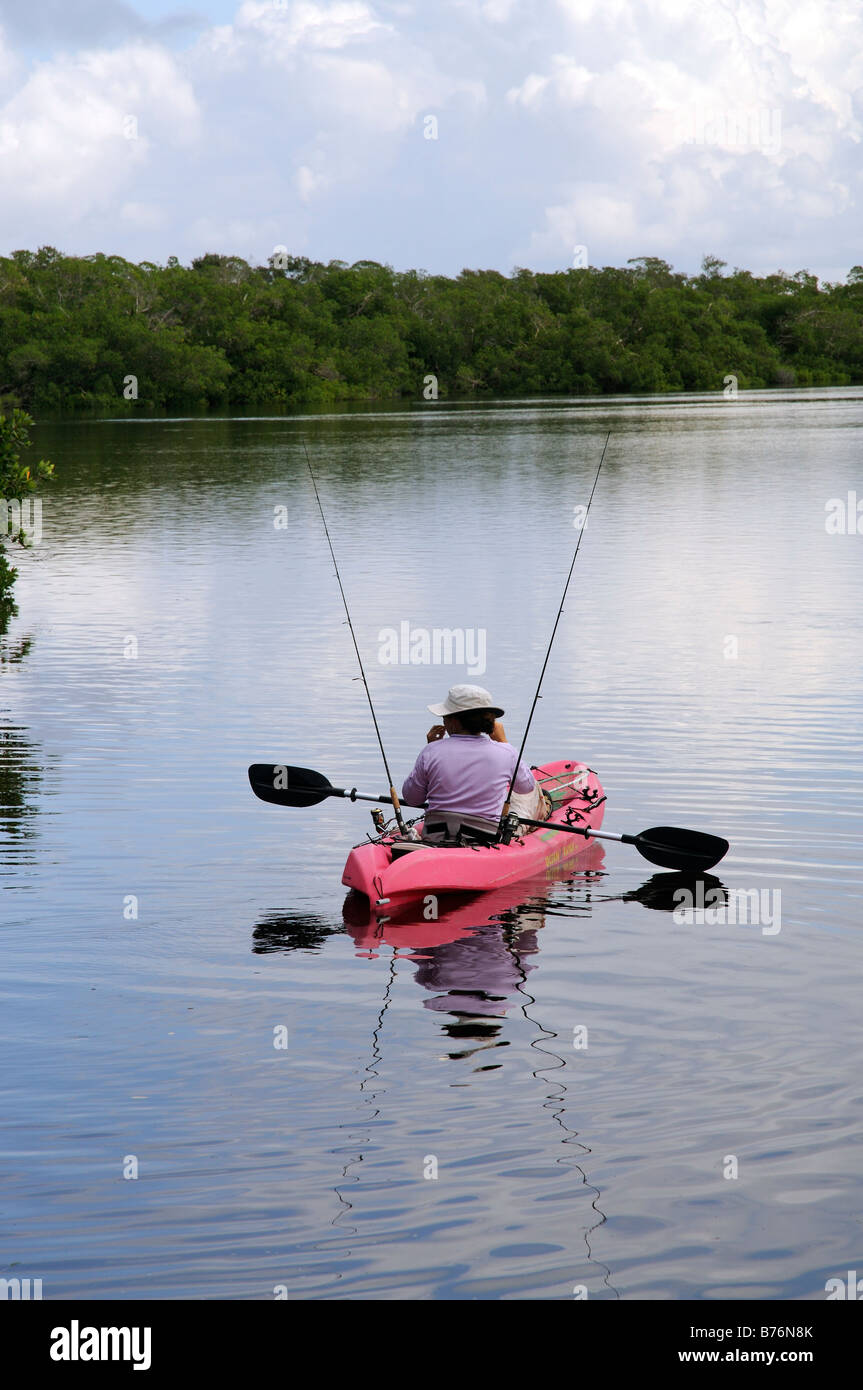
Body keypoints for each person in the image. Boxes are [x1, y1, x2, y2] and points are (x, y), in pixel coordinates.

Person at [401, 684, 551, 844]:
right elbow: (526, 787)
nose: (443, 720)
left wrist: (431, 747)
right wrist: (504, 742)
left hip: (435, 837)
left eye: (445, 716)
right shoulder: (506, 753)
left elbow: (412, 799)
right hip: (483, 841)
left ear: (454, 720)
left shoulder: (430, 751)